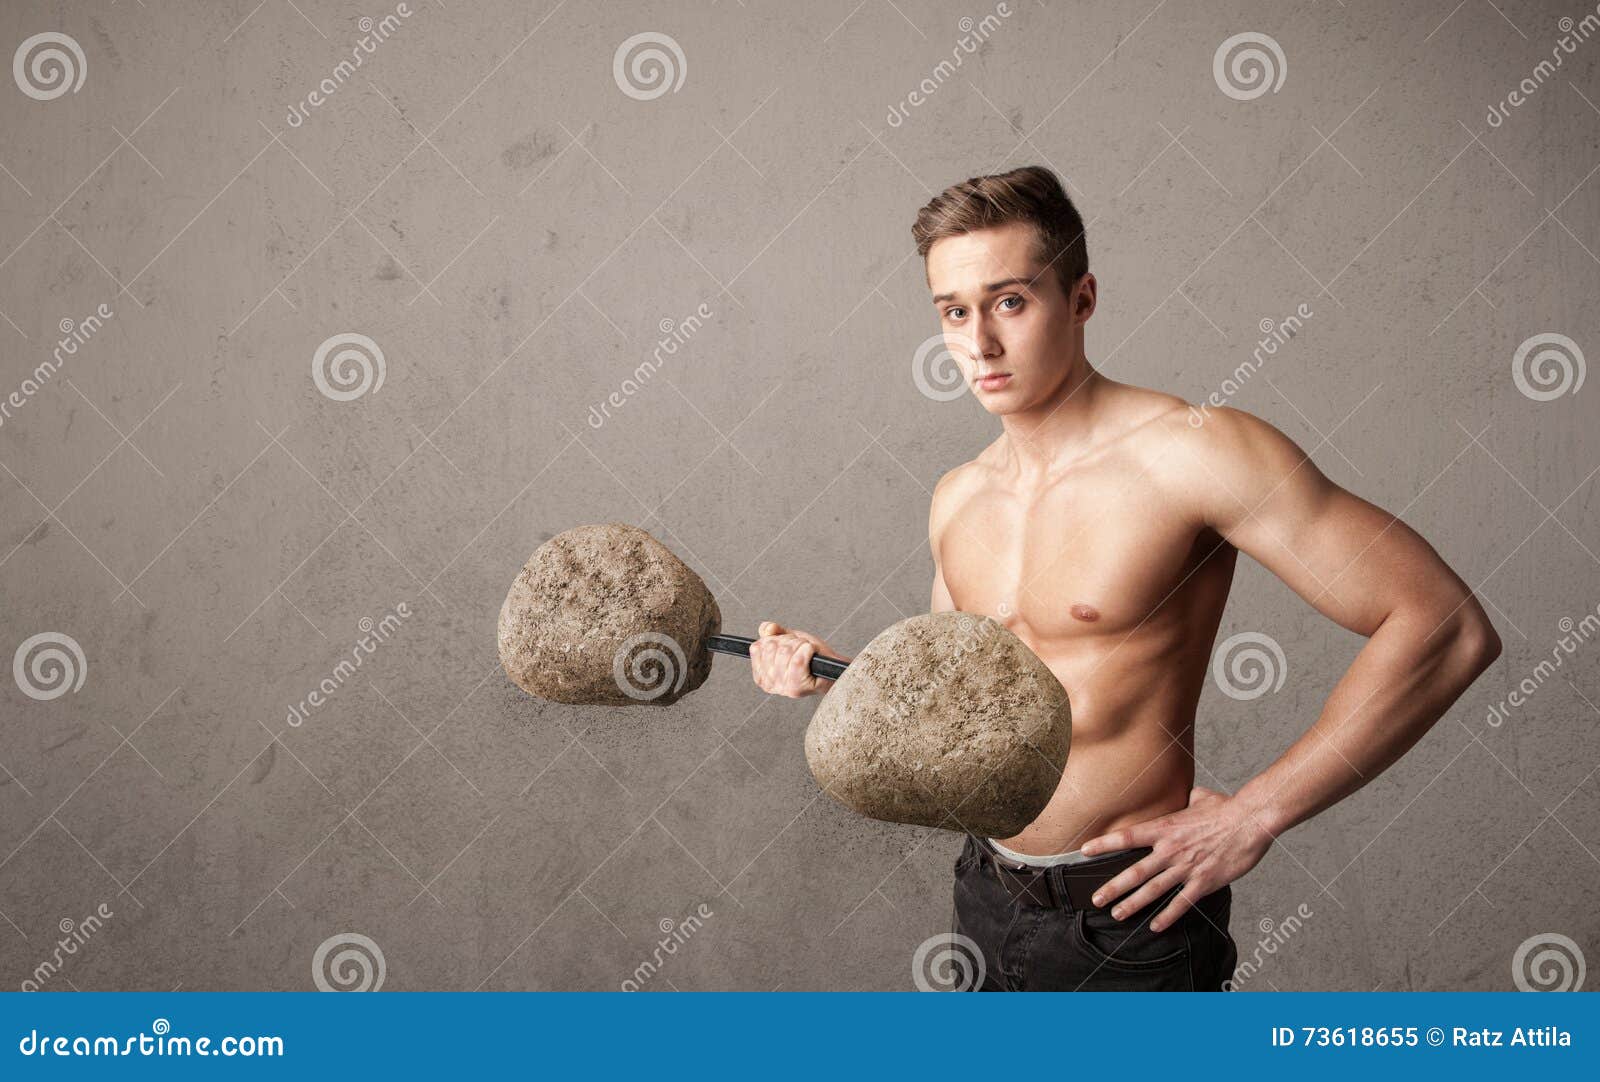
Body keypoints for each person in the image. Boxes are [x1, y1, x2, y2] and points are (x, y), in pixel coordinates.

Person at [748, 166, 1501, 991]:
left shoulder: (1192, 452)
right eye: (954, 312)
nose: (980, 344)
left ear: (1081, 299)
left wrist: (1259, 812)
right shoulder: (958, 497)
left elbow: (1442, 623)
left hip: (1129, 921)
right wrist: (835, 677)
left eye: (1010, 301)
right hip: (984, 900)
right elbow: (958, 716)